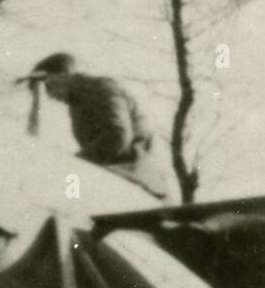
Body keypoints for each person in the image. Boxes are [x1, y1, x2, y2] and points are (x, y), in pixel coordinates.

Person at [19, 52, 172, 199]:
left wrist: (74, 163)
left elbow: (117, 136)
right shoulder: (78, 102)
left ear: (64, 76)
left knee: (67, 195)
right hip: (119, 176)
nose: (50, 96)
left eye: (49, 86)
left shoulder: (99, 88)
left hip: (135, 177)